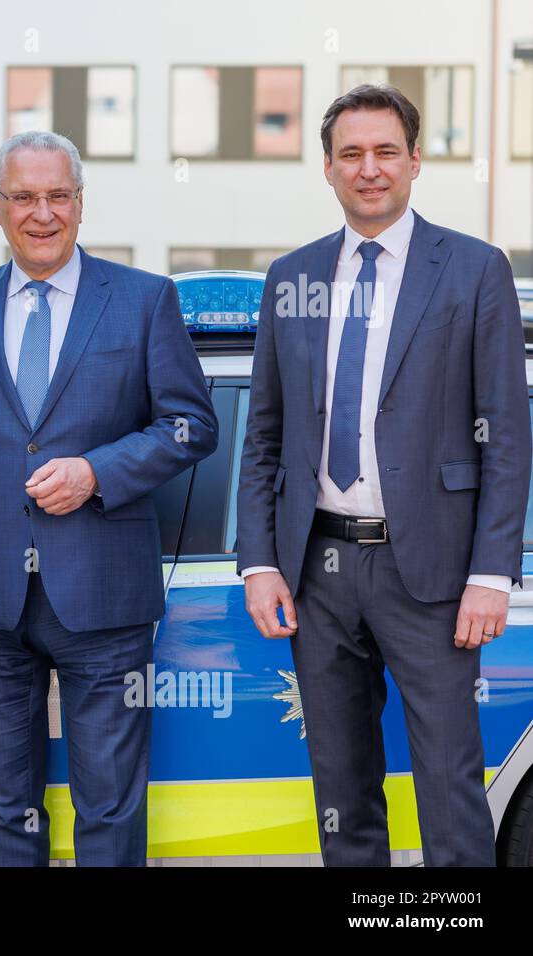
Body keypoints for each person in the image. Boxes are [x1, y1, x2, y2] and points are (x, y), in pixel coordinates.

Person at [0, 131, 218, 866]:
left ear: (80, 204)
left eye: (56, 196)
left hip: (105, 597)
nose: (40, 214)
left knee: (109, 808)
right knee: (4, 808)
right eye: (23, 197)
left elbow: (191, 424)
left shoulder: (144, 300)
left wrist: (97, 472)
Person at [236, 85, 530, 866]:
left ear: (415, 161)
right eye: (352, 154)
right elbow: (262, 433)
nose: (370, 169)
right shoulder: (290, 278)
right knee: (341, 790)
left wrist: (492, 574)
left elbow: (506, 436)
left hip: (432, 573)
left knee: (447, 784)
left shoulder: (473, 270)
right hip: (317, 573)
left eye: (385, 151)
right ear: (327, 168)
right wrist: (261, 562)